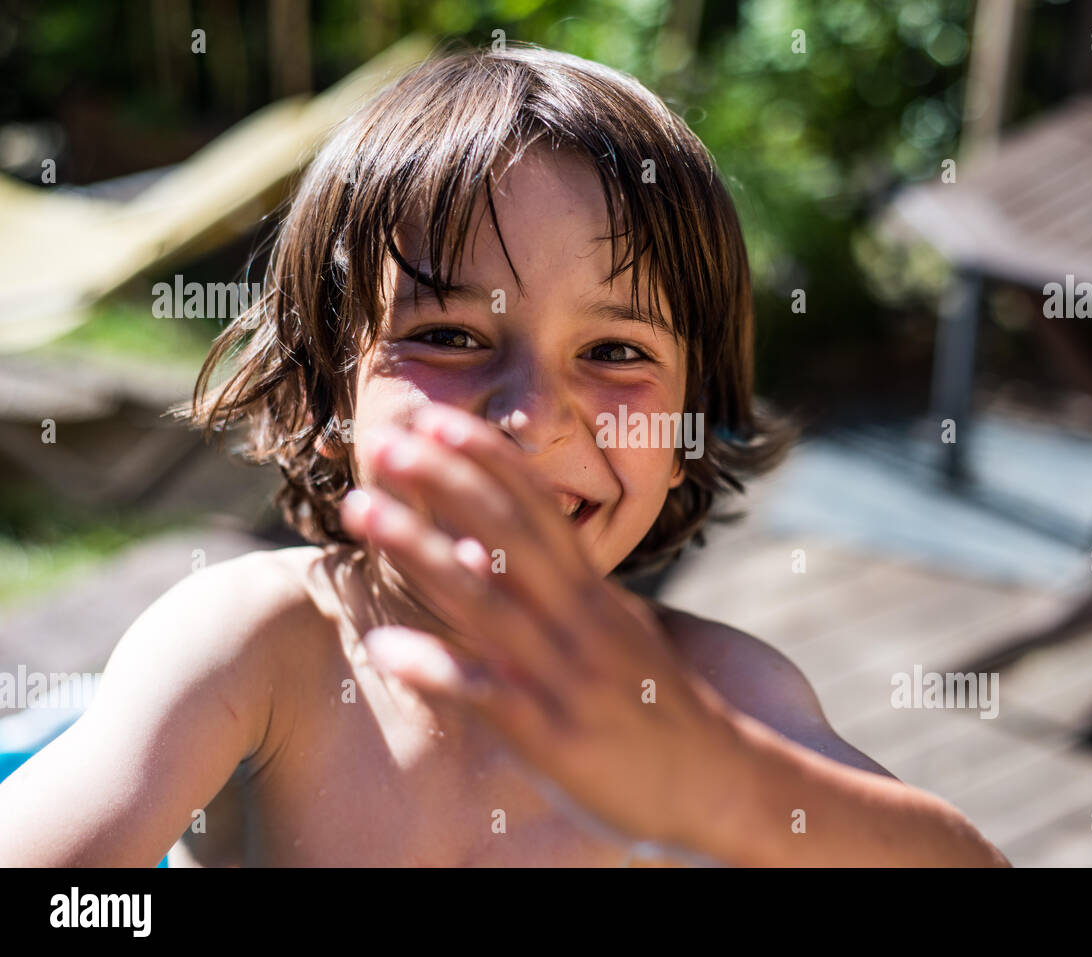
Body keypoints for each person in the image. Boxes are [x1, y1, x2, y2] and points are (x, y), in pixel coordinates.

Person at [0, 41, 1009, 867]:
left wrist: (730, 788)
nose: (534, 416)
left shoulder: (718, 699)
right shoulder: (258, 651)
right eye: (447, 336)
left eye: (615, 352)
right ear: (323, 390)